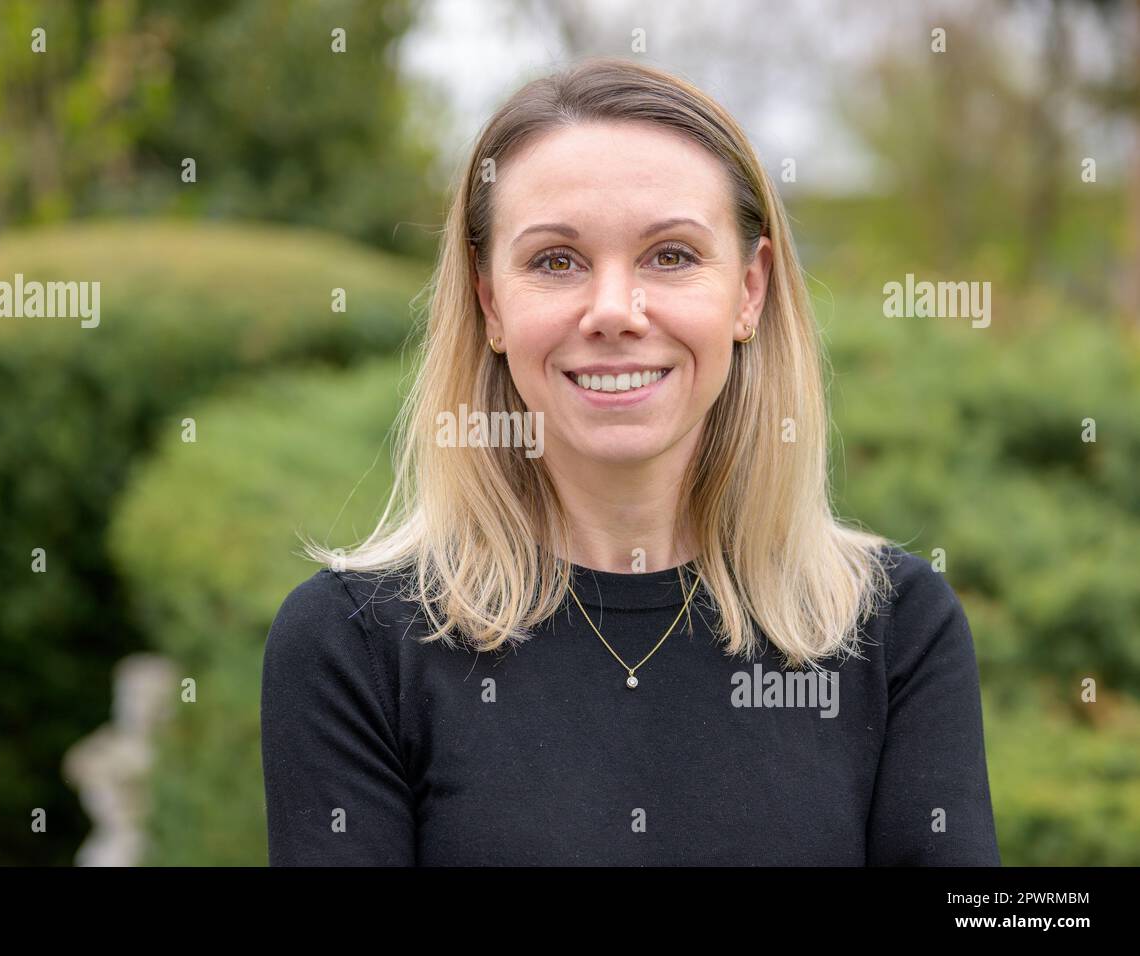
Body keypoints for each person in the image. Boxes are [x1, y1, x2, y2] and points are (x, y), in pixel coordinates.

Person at [261, 56, 1000, 866]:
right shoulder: (354, 644)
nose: (615, 310)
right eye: (556, 261)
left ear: (749, 293)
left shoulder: (893, 631)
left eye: (672, 256)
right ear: (489, 302)